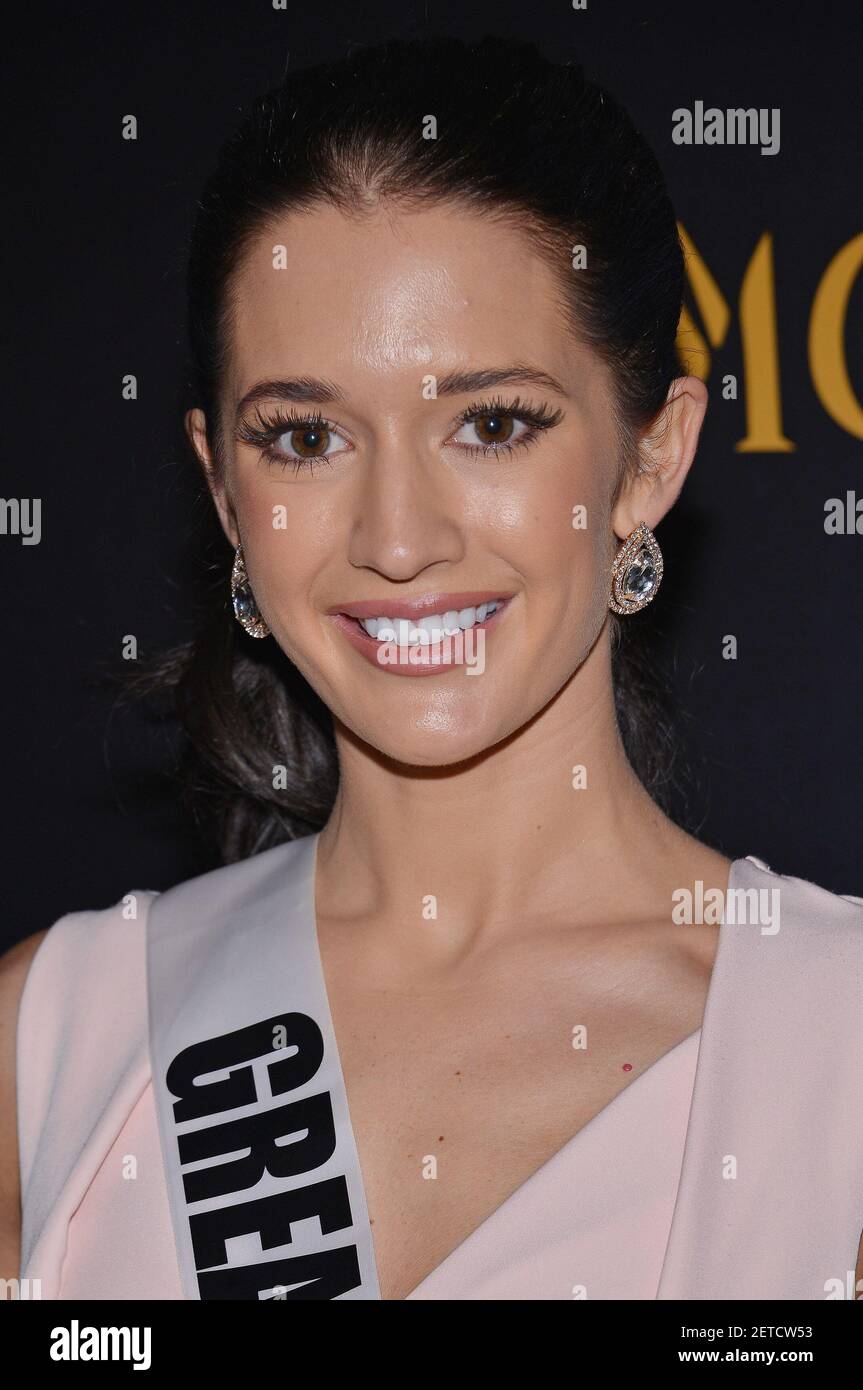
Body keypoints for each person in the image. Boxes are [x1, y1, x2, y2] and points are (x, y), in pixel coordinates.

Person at [2, 34, 862, 1302]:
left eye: (492, 423)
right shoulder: (44, 1044)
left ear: (649, 459)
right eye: (303, 436)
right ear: (224, 491)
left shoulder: (831, 1043)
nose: (397, 539)